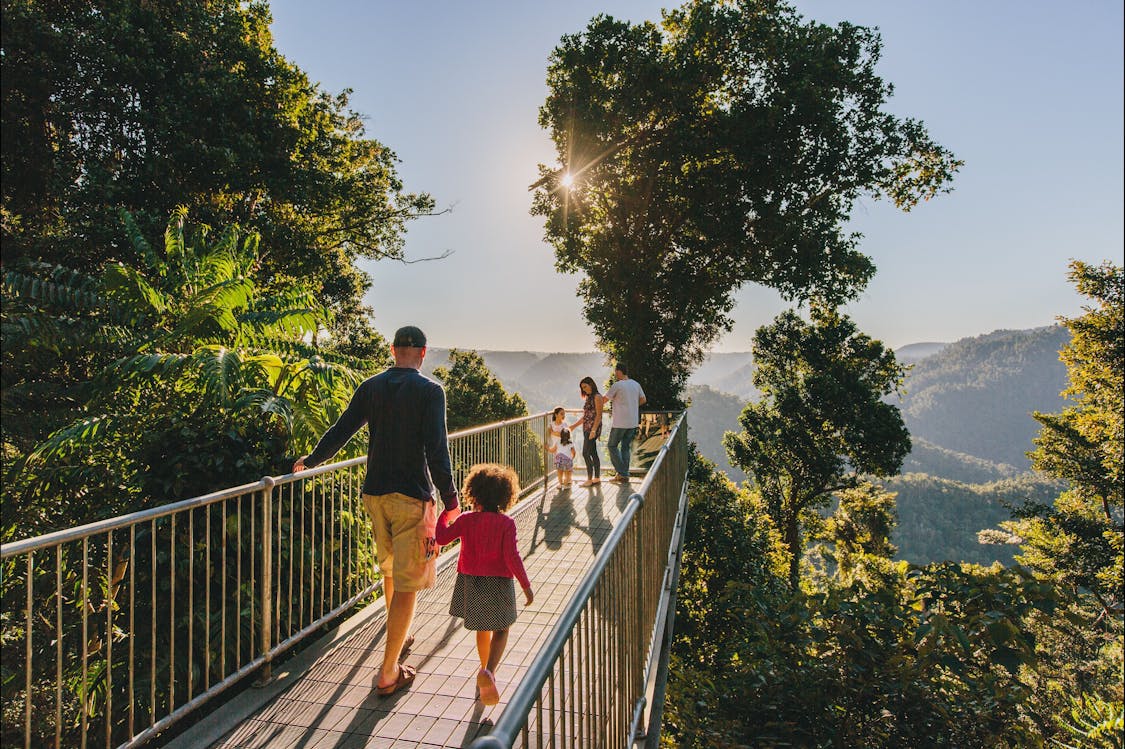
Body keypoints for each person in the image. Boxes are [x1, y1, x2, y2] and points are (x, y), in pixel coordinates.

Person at [291, 325, 457, 698]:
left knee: (389, 570)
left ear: (393, 350)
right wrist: (451, 497)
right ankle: (388, 672)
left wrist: (313, 459)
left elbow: (342, 429)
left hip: (375, 494)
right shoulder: (431, 391)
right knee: (409, 582)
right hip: (412, 495)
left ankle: (402, 633)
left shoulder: (372, 386)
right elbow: (436, 447)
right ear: (424, 352)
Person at [435, 463, 534, 706]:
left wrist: (444, 515)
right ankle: (489, 672)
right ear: (505, 496)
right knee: (502, 629)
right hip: (499, 584)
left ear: (474, 492)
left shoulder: (467, 520)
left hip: (471, 582)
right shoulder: (506, 524)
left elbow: (442, 538)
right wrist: (526, 586)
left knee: (483, 627)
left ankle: (483, 667)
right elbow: (512, 556)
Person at [604, 362, 646, 483]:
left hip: (620, 423)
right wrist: (632, 405)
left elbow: (604, 400)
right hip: (632, 422)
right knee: (625, 448)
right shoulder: (636, 384)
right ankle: (623, 475)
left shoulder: (618, 385)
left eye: (615, 371)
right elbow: (643, 399)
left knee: (612, 446)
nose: (615, 374)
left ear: (619, 371)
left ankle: (622, 473)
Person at [568, 376, 605, 487]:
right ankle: (597, 478)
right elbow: (586, 417)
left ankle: (589, 479)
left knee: (585, 453)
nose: (584, 389)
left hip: (592, 429)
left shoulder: (597, 397)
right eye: (582, 388)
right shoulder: (589, 397)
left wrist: (594, 430)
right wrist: (573, 426)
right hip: (587, 428)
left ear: (591, 384)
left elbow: (599, 415)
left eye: (585, 386)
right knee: (593, 452)